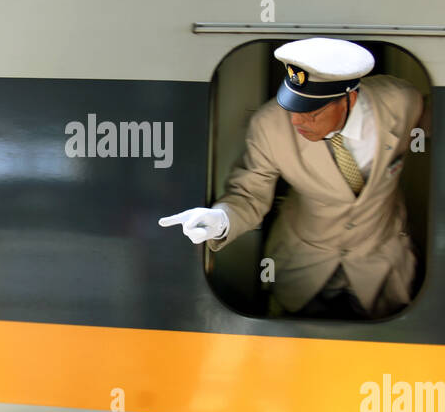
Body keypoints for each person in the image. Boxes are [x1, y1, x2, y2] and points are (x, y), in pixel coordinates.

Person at [160, 38, 424, 319]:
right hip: (303, 269)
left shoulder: (401, 102)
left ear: (350, 99)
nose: (297, 122)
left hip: (382, 267)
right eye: (292, 107)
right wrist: (221, 220)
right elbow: (248, 195)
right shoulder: (270, 124)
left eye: (312, 112)